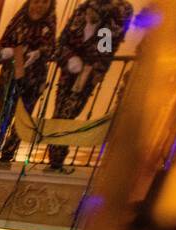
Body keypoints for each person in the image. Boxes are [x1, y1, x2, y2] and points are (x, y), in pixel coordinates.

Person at [47, 0, 133, 171]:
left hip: (86, 76)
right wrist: (70, 58)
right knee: (59, 114)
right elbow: (62, 42)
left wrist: (95, 70)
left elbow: (105, 51)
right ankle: (55, 159)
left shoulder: (110, 22)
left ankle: (57, 159)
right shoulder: (80, 12)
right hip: (68, 72)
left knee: (66, 115)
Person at [0, 0, 58, 165]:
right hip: (10, 80)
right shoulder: (17, 22)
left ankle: (8, 154)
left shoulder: (49, 25)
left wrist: (39, 53)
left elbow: (53, 49)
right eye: (36, 1)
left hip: (32, 83)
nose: (38, 6)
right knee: (4, 116)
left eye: (44, 2)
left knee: (22, 120)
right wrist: (7, 52)